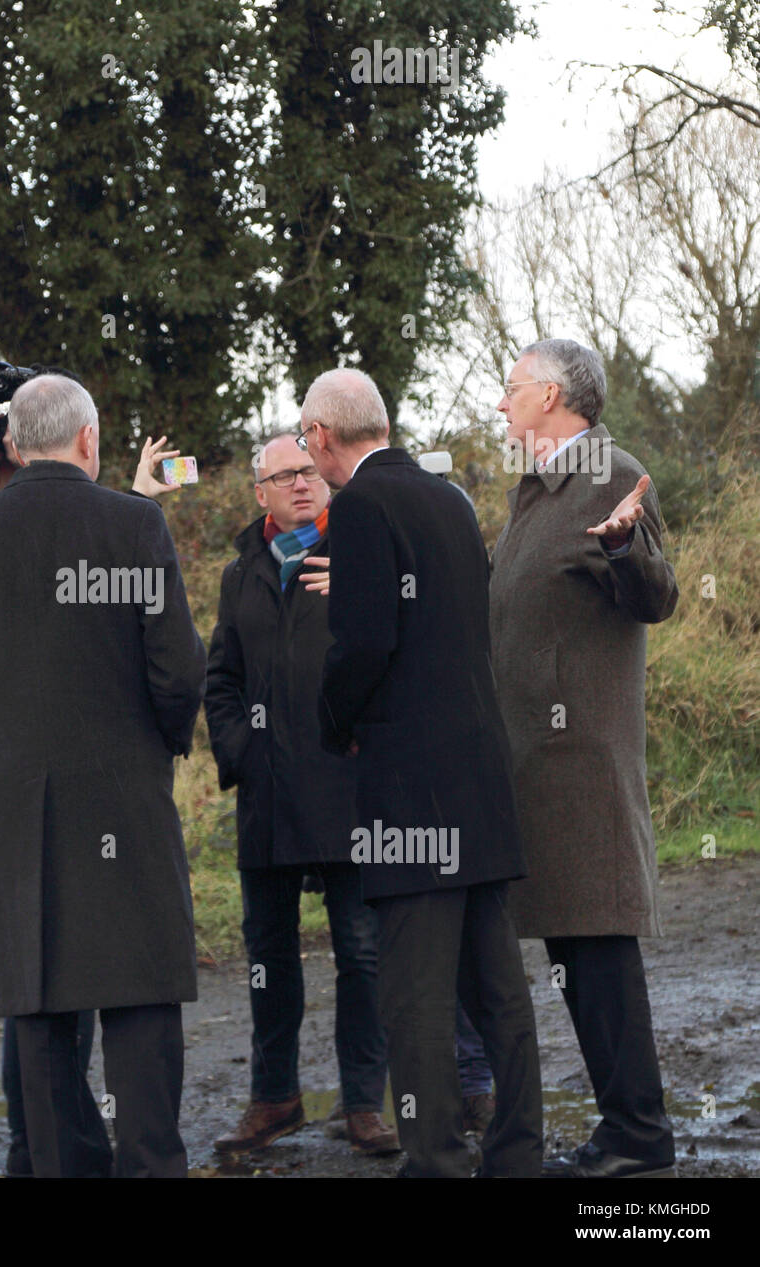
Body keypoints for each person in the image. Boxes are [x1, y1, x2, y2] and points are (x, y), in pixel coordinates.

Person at [0, 373, 206, 1178]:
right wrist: (162, 746)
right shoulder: (135, 523)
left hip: (19, 803)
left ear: (9, 446)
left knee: (39, 1006)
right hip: (126, 794)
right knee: (140, 996)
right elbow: (179, 671)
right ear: (89, 442)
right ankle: (148, 1164)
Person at [308, 368, 543, 1178]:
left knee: (414, 993)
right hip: (479, 776)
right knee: (497, 988)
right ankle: (516, 1153)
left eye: (308, 439)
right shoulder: (451, 500)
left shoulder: (363, 508)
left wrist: (332, 724)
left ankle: (436, 1156)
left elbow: (364, 642)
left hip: (410, 789)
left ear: (323, 438)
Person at [489, 338, 679, 1179]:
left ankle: (641, 1138)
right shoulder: (532, 491)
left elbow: (658, 595)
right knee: (575, 950)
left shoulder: (611, 472)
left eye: (511, 388)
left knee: (598, 948)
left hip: (581, 760)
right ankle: (623, 1128)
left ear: (554, 395)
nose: (500, 404)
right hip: (536, 763)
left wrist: (622, 547)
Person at [203, 431, 398, 1157]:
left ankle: (363, 1104)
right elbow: (219, 677)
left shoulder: (355, 555)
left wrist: (362, 739)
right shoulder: (239, 572)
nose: (302, 483)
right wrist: (240, 752)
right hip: (268, 795)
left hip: (346, 788)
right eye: (284, 475)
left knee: (361, 950)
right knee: (268, 955)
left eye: (311, 471)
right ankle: (275, 1097)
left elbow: (383, 651)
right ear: (261, 492)